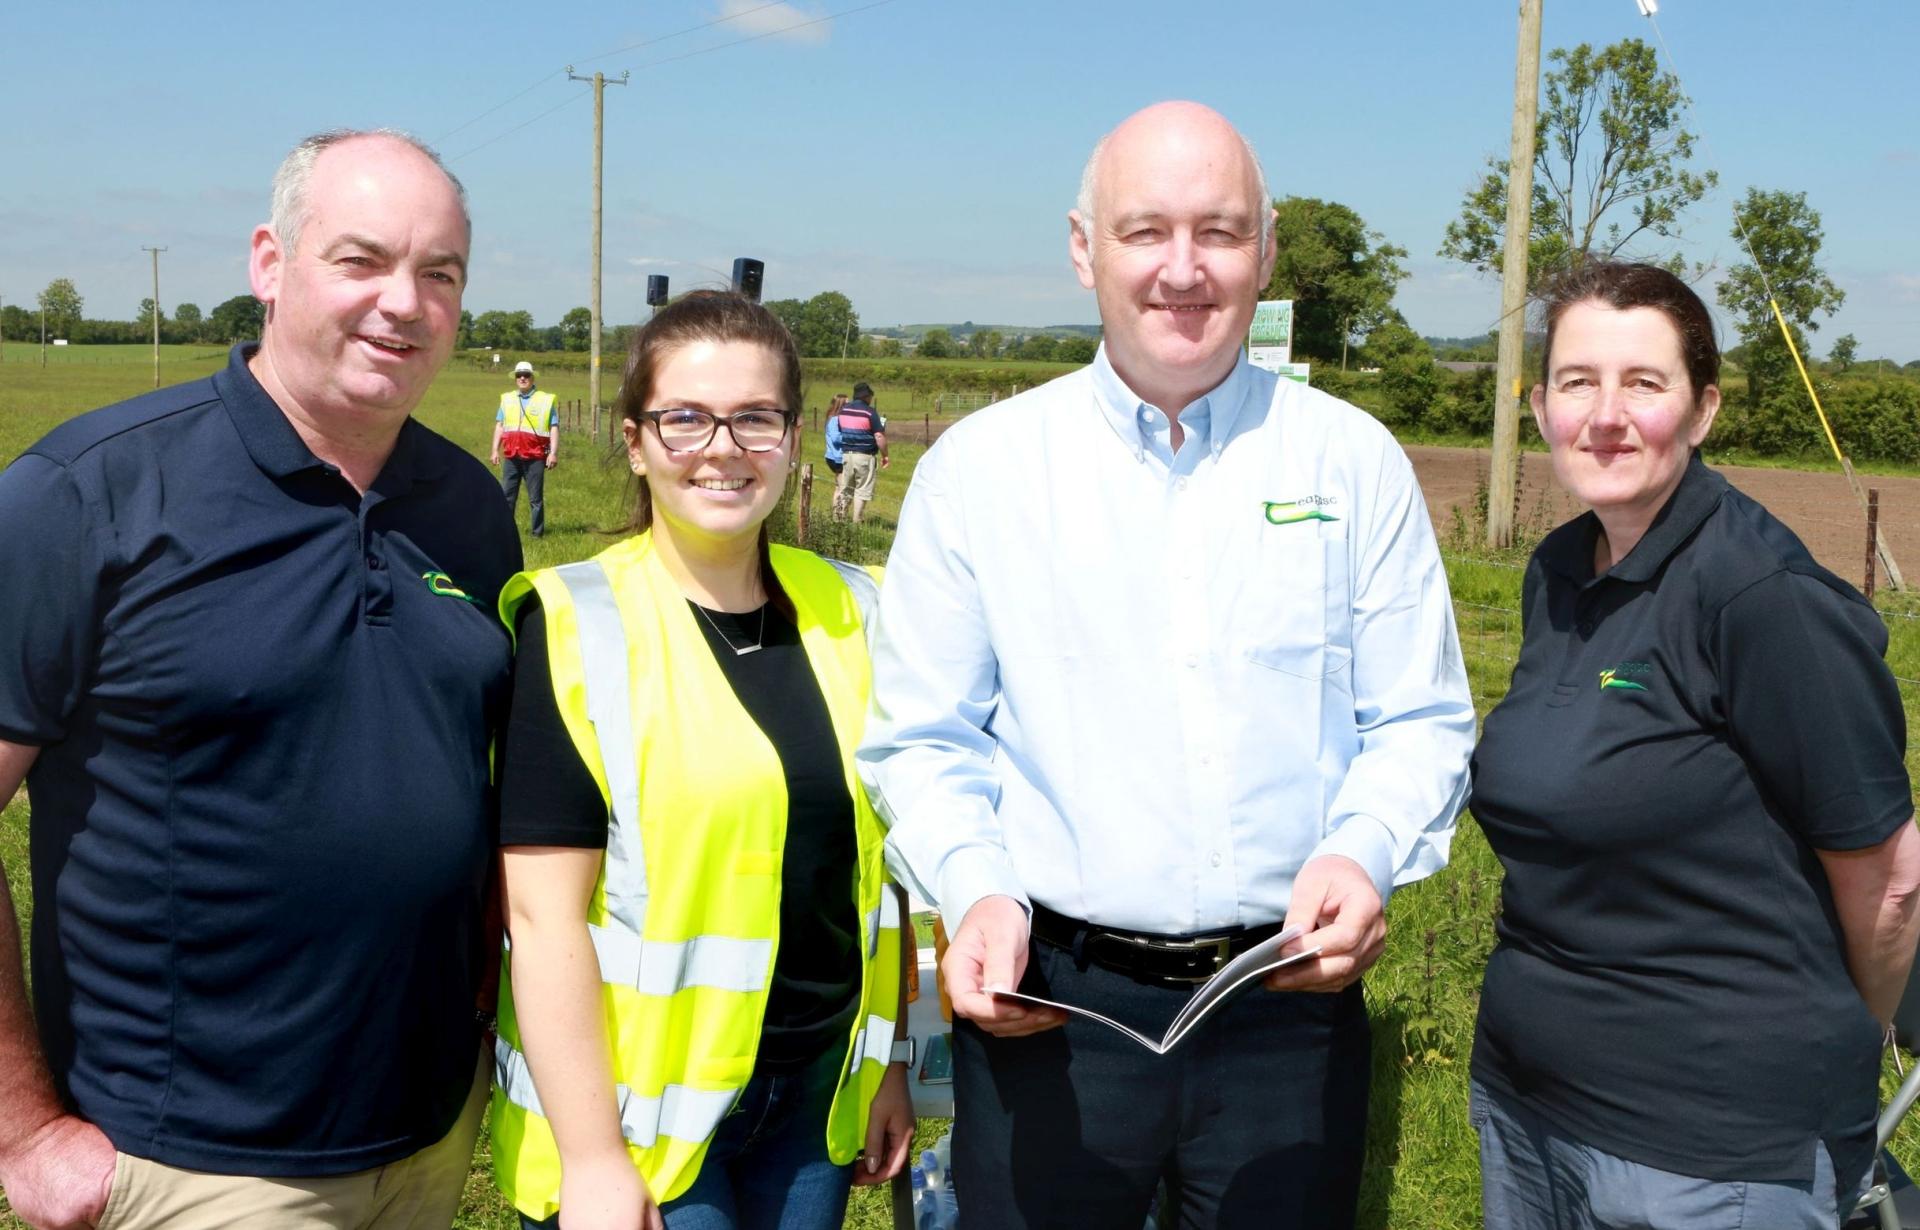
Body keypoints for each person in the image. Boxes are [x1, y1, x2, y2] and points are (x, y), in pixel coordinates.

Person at [858, 101, 1474, 1229]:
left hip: (1288, 1006)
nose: (1183, 269)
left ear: (1266, 251)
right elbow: (924, 736)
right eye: (1145, 230)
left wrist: (1365, 849)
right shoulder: (982, 472)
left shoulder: (1352, 462)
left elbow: (1420, 720)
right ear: (1084, 248)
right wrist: (975, 886)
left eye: (1219, 232)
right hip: (1051, 1008)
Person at [0, 129, 520, 1229]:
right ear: (271, 264)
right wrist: (23, 1130)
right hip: (195, 1163)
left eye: (440, 274)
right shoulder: (87, 493)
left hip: (431, 1132)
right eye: (361, 260)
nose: (403, 302)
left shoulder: (472, 510)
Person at [1468, 261, 1920, 1230]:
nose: (1606, 415)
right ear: (1540, 406)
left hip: (1711, 1149)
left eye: (1645, 383)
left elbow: (1888, 880)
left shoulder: (1761, 598)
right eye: (1578, 381)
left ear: (1704, 409)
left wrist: (1839, 1038)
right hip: (1528, 1103)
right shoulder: (1558, 571)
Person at [488, 290, 915, 1230]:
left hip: (817, 1096)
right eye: (684, 418)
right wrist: (593, 1159)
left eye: (755, 417)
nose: (723, 448)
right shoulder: (575, 623)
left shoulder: (858, 609)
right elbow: (540, 917)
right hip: (636, 1119)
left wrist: (885, 1063)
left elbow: (873, 874)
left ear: (794, 438)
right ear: (636, 443)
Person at [492, 359, 561, 538]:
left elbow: (554, 427)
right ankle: (506, 533)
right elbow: (500, 426)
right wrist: (494, 450)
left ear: (532, 377)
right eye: (519, 375)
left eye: (526, 375)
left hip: (535, 456)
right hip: (511, 456)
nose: (522, 378)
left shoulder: (545, 400)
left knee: (535, 499)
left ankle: (537, 534)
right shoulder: (507, 400)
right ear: (515, 378)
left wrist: (553, 453)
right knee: (507, 497)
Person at [830, 381, 887, 522]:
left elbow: (842, 430)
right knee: (862, 491)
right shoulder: (870, 412)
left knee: (846, 489)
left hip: (846, 455)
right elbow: (879, 436)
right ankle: (857, 522)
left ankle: (838, 520)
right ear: (866, 396)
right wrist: (885, 455)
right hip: (865, 456)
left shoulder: (843, 411)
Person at [822, 392, 848, 479]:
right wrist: (851, 438)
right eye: (847, 404)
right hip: (837, 457)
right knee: (843, 483)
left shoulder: (836, 418)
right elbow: (836, 438)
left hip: (837, 457)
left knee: (840, 484)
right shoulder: (835, 419)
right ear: (841, 405)